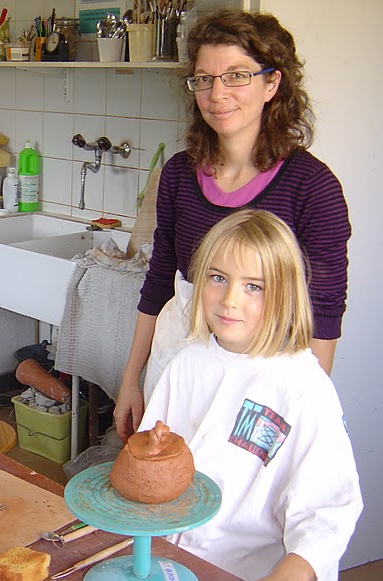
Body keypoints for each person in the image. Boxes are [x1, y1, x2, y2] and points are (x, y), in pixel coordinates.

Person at [115, 9, 351, 442]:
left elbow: (324, 312)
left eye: (237, 75)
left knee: (241, 497)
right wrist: (131, 379)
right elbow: (158, 281)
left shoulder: (313, 188)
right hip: (178, 360)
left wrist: (309, 415)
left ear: (272, 83)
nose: (217, 93)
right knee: (167, 483)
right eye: (204, 78)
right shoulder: (179, 174)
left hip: (264, 374)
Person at [140, 209, 362, 581]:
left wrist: (293, 574)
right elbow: (149, 458)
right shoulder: (186, 364)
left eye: (254, 286)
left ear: (285, 293)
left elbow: (330, 505)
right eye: (218, 277)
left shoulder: (303, 386)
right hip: (171, 561)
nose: (230, 300)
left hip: (254, 580)